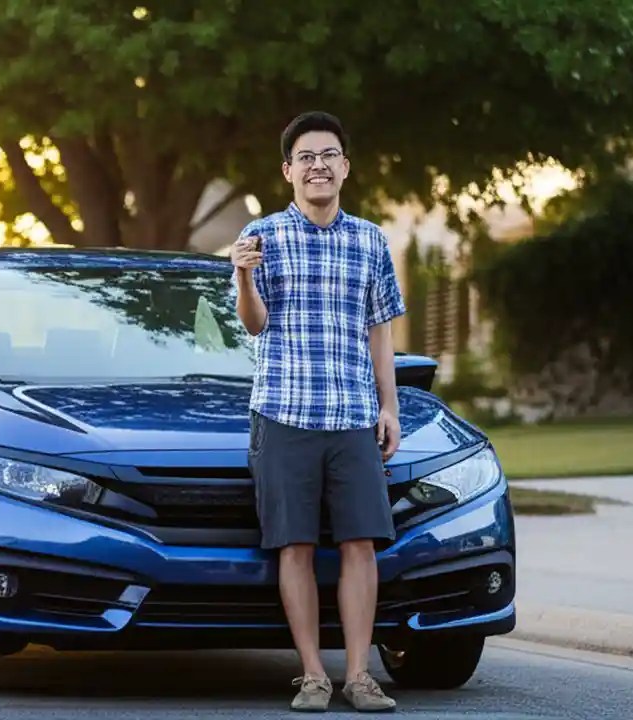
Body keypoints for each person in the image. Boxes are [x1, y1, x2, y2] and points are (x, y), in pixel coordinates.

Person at [230, 111, 405, 713]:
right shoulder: (262, 237)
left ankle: (358, 675)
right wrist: (242, 278)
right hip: (283, 413)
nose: (318, 166)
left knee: (361, 544)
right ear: (288, 171)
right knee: (295, 547)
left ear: (345, 167)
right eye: (306, 157)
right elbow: (254, 324)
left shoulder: (371, 241)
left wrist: (390, 407)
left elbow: (380, 331)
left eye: (328, 155)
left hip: (354, 415)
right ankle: (312, 675)